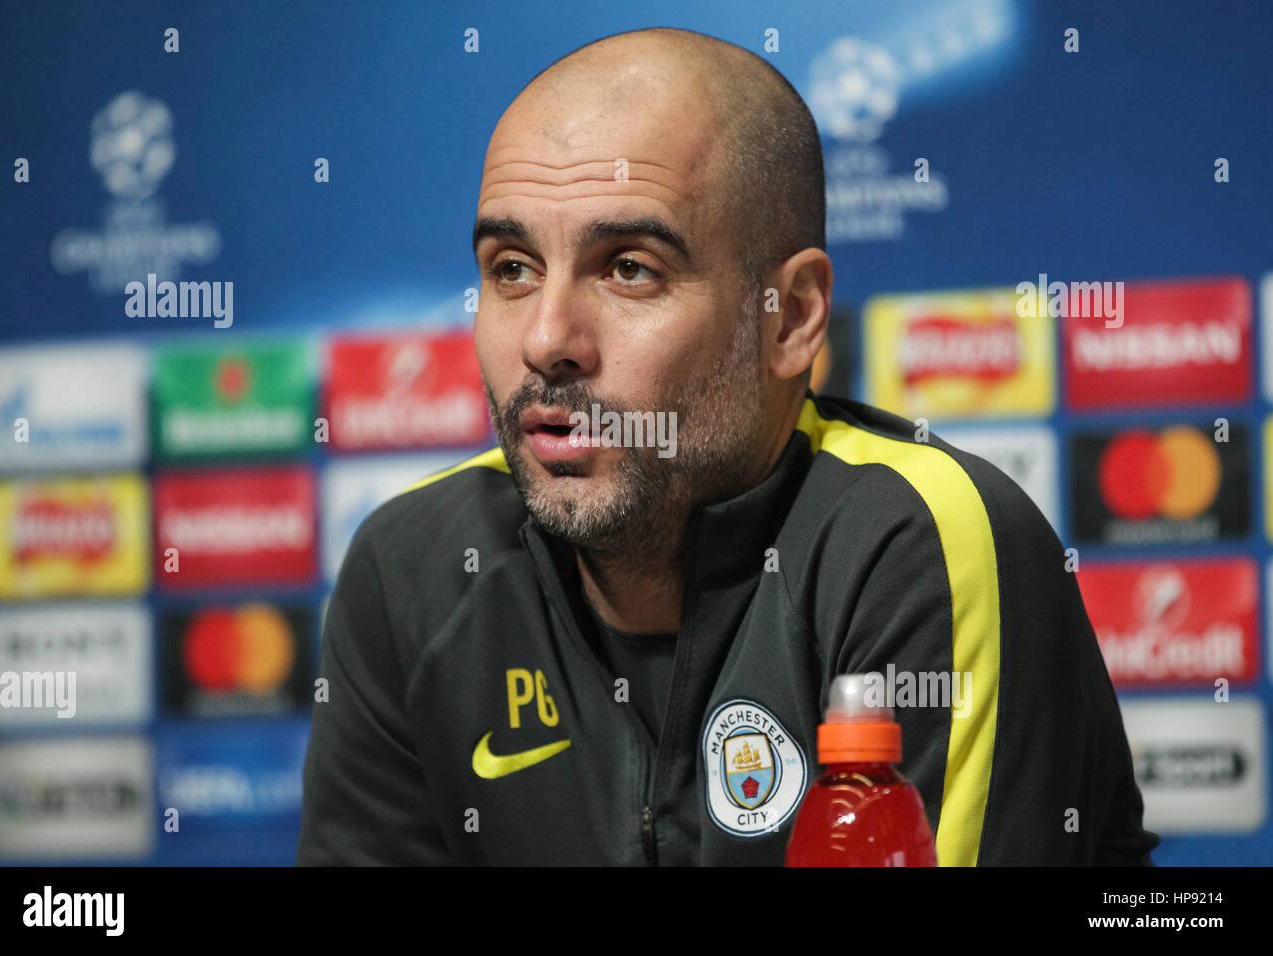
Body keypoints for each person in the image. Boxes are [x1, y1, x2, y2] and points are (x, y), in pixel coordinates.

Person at [297, 26, 1157, 865]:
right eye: (512, 269)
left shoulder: (917, 542)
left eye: (629, 267)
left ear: (793, 318)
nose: (547, 338)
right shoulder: (414, 568)